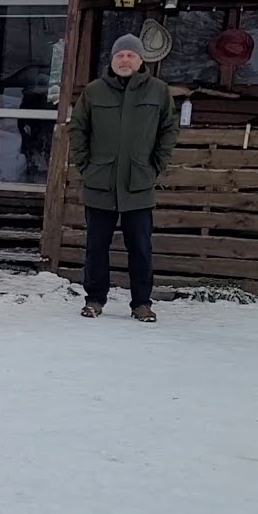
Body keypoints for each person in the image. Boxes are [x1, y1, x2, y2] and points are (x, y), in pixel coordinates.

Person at [68, 33, 178, 323]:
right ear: (112, 59)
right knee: (96, 247)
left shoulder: (158, 91)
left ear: (141, 60)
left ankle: (141, 303)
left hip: (138, 185)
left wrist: (155, 165)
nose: (125, 60)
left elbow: (169, 129)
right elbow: (77, 129)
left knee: (141, 247)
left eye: (131, 55)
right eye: (120, 55)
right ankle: (94, 299)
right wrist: (86, 165)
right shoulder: (94, 92)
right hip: (99, 183)